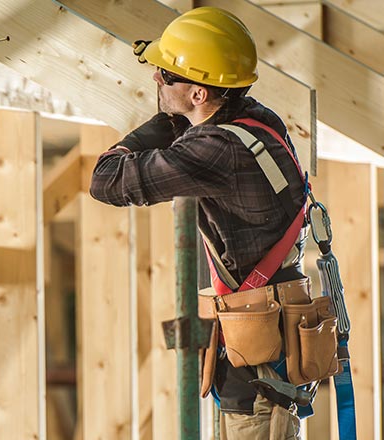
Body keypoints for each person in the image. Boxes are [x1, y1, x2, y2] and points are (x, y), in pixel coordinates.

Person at [89, 7, 311, 439]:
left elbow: (106, 180)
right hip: (269, 346)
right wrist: (180, 114)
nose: (156, 79)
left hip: (257, 378)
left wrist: (164, 123)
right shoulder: (258, 119)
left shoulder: (214, 150)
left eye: (167, 76)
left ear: (199, 95)